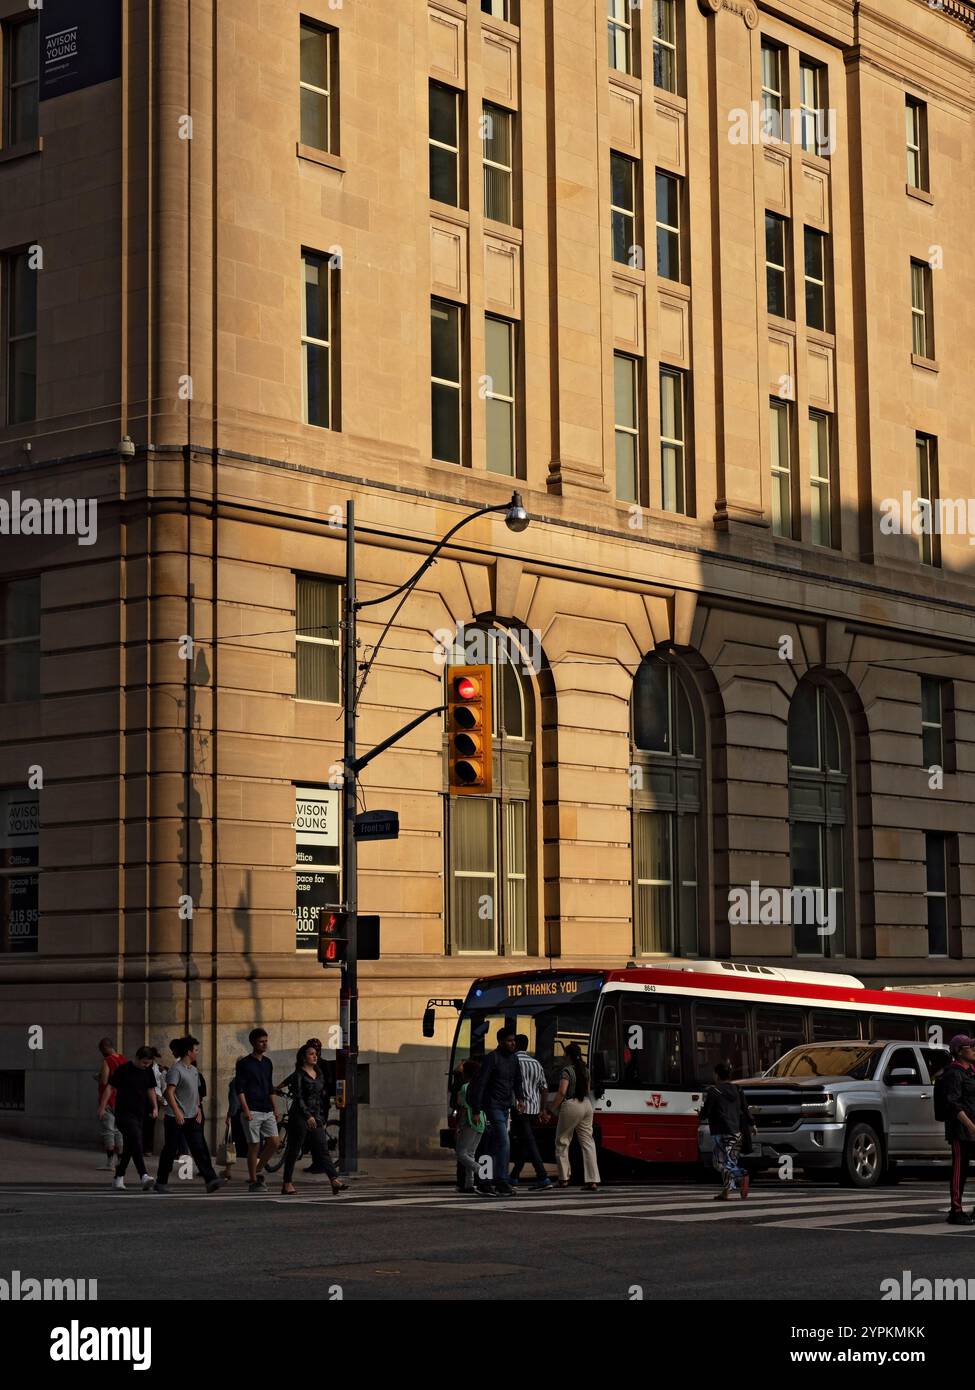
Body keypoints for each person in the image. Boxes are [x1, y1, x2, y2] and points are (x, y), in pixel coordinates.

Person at [153, 1036, 221, 1194]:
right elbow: (169, 1093)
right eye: (196, 1050)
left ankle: (210, 1180)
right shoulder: (176, 1070)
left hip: (192, 1117)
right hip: (175, 1118)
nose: (197, 1053)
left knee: (199, 1149)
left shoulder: (194, 1070)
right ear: (189, 1052)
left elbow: (196, 1092)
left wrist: (197, 1108)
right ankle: (161, 1182)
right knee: (170, 1150)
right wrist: (177, 1112)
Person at [278, 1043, 347, 1196]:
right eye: (311, 1054)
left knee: (323, 1149)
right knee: (294, 1150)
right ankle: (287, 1183)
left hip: (316, 1116)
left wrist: (319, 1117)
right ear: (303, 1057)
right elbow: (299, 1098)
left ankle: (334, 1180)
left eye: (316, 1053)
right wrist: (307, 1116)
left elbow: (319, 1097)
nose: (315, 1056)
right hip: (300, 1116)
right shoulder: (298, 1075)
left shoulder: (319, 1073)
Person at [468, 1028, 525, 1197]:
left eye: (513, 1040)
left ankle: (485, 1181)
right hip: (492, 1106)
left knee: (493, 1145)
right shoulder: (492, 1058)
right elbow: (481, 1084)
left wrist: (520, 1098)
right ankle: (501, 1181)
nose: (513, 1043)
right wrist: (476, 1109)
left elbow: (517, 1080)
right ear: (500, 1041)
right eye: (509, 1040)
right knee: (504, 1141)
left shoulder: (514, 1059)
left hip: (505, 1106)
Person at [700, 1061, 753, 1201]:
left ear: (716, 1075)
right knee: (730, 1161)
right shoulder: (738, 1089)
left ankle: (742, 1175)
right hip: (736, 1131)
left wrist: (700, 1114)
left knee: (719, 1163)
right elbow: (745, 1109)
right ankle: (726, 1193)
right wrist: (752, 1124)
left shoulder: (714, 1091)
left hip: (721, 1131)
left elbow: (706, 1112)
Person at [234, 1028, 280, 1192]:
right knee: (254, 1145)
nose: (264, 1044)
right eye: (261, 1041)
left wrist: (275, 1108)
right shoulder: (244, 1064)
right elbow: (239, 1088)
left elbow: (270, 1086)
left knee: (275, 1142)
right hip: (251, 1109)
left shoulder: (268, 1063)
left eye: (266, 1041)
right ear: (253, 1043)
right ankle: (254, 1179)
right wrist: (245, 1110)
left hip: (266, 1108)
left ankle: (258, 1168)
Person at [552, 1042, 600, 1191]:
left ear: (568, 1056)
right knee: (588, 1143)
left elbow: (562, 1092)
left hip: (571, 1104)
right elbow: (587, 1089)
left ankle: (564, 1178)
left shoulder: (567, 1071)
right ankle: (592, 1180)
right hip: (586, 1104)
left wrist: (551, 1108)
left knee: (562, 1140)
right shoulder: (585, 1071)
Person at [111, 1047, 160, 1191]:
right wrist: (103, 1107)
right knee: (136, 1139)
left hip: (140, 1113)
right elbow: (110, 1087)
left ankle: (118, 1177)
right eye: (144, 1063)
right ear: (137, 1058)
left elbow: (150, 1089)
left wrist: (155, 1107)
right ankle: (144, 1175)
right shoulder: (124, 1069)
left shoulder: (148, 1071)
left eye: (149, 1064)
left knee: (130, 1146)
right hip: (123, 1113)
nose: (146, 1066)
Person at [508, 1034, 552, 1191]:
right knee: (526, 1142)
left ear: (516, 1045)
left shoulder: (513, 1060)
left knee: (528, 1141)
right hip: (534, 1108)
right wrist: (542, 1108)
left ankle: (542, 1176)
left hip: (519, 1107)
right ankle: (514, 1175)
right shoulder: (536, 1063)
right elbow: (544, 1088)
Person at [941, 1034, 975, 1225]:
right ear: (959, 1052)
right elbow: (953, 1104)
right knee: (959, 1170)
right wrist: (970, 1125)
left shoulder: (972, 1071)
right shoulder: (954, 1073)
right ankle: (956, 1210)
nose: (973, 1049)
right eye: (970, 1046)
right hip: (961, 1130)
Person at [454, 1059, 487, 1196]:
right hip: (481, 1122)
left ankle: (480, 1170)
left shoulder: (465, 1087)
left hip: (469, 1121)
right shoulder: (481, 1086)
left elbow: (461, 1107)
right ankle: (469, 1184)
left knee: (461, 1153)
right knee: (471, 1153)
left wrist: (458, 1127)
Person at [96, 1038, 127, 1170]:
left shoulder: (107, 1061)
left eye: (101, 1050)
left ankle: (110, 1163)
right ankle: (120, 1161)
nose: (101, 1053)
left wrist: (97, 1077)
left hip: (108, 1100)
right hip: (121, 1100)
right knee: (119, 1131)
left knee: (108, 1131)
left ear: (104, 1048)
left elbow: (104, 1081)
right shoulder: (123, 1060)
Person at [221, 1075, 250, 1181]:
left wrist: (230, 1116)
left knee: (231, 1144)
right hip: (252, 1114)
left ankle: (228, 1171)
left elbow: (233, 1101)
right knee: (253, 1144)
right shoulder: (253, 1079)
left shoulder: (236, 1081)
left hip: (238, 1115)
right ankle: (255, 1171)